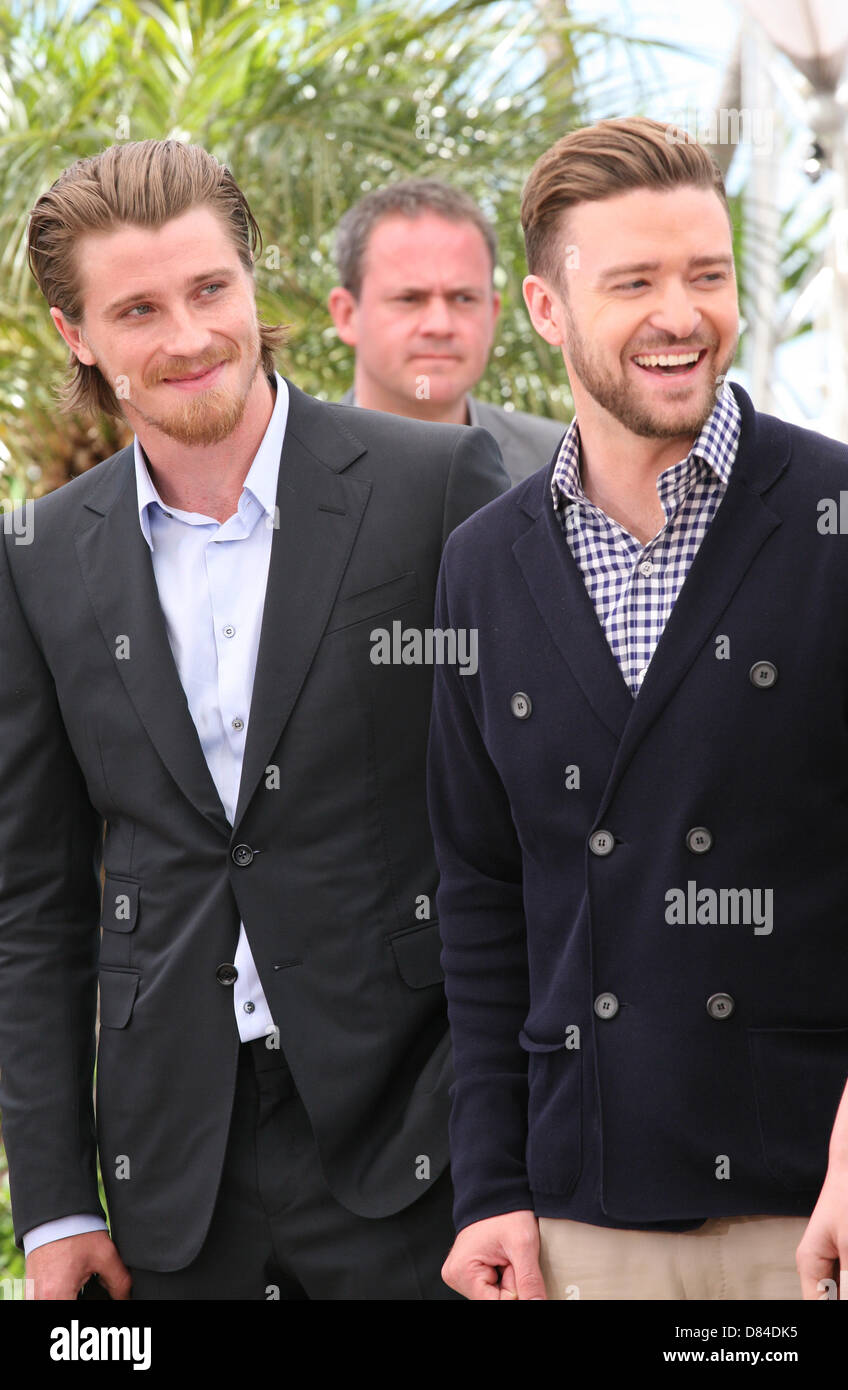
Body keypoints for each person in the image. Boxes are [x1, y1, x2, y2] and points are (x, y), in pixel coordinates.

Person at [0, 138, 508, 1300]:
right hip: (174, 1175)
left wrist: (510, 1157)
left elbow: (519, 828)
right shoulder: (35, 560)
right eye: (137, 308)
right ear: (79, 336)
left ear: (252, 282)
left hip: (416, 1153)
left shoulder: (437, 486)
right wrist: (57, 1203)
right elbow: (34, 902)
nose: (186, 337)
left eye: (209, 288)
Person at [427, 116, 848, 1301]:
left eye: (704, 274)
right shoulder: (480, 566)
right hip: (581, 1207)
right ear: (546, 310)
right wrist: (490, 1185)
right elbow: (478, 894)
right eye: (634, 282)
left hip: (810, 1202)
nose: (681, 313)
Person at [328, 179, 564, 485]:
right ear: (347, 315)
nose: (440, 325)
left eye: (463, 299)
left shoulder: (561, 467)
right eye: (409, 299)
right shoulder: (283, 471)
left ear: (492, 315)